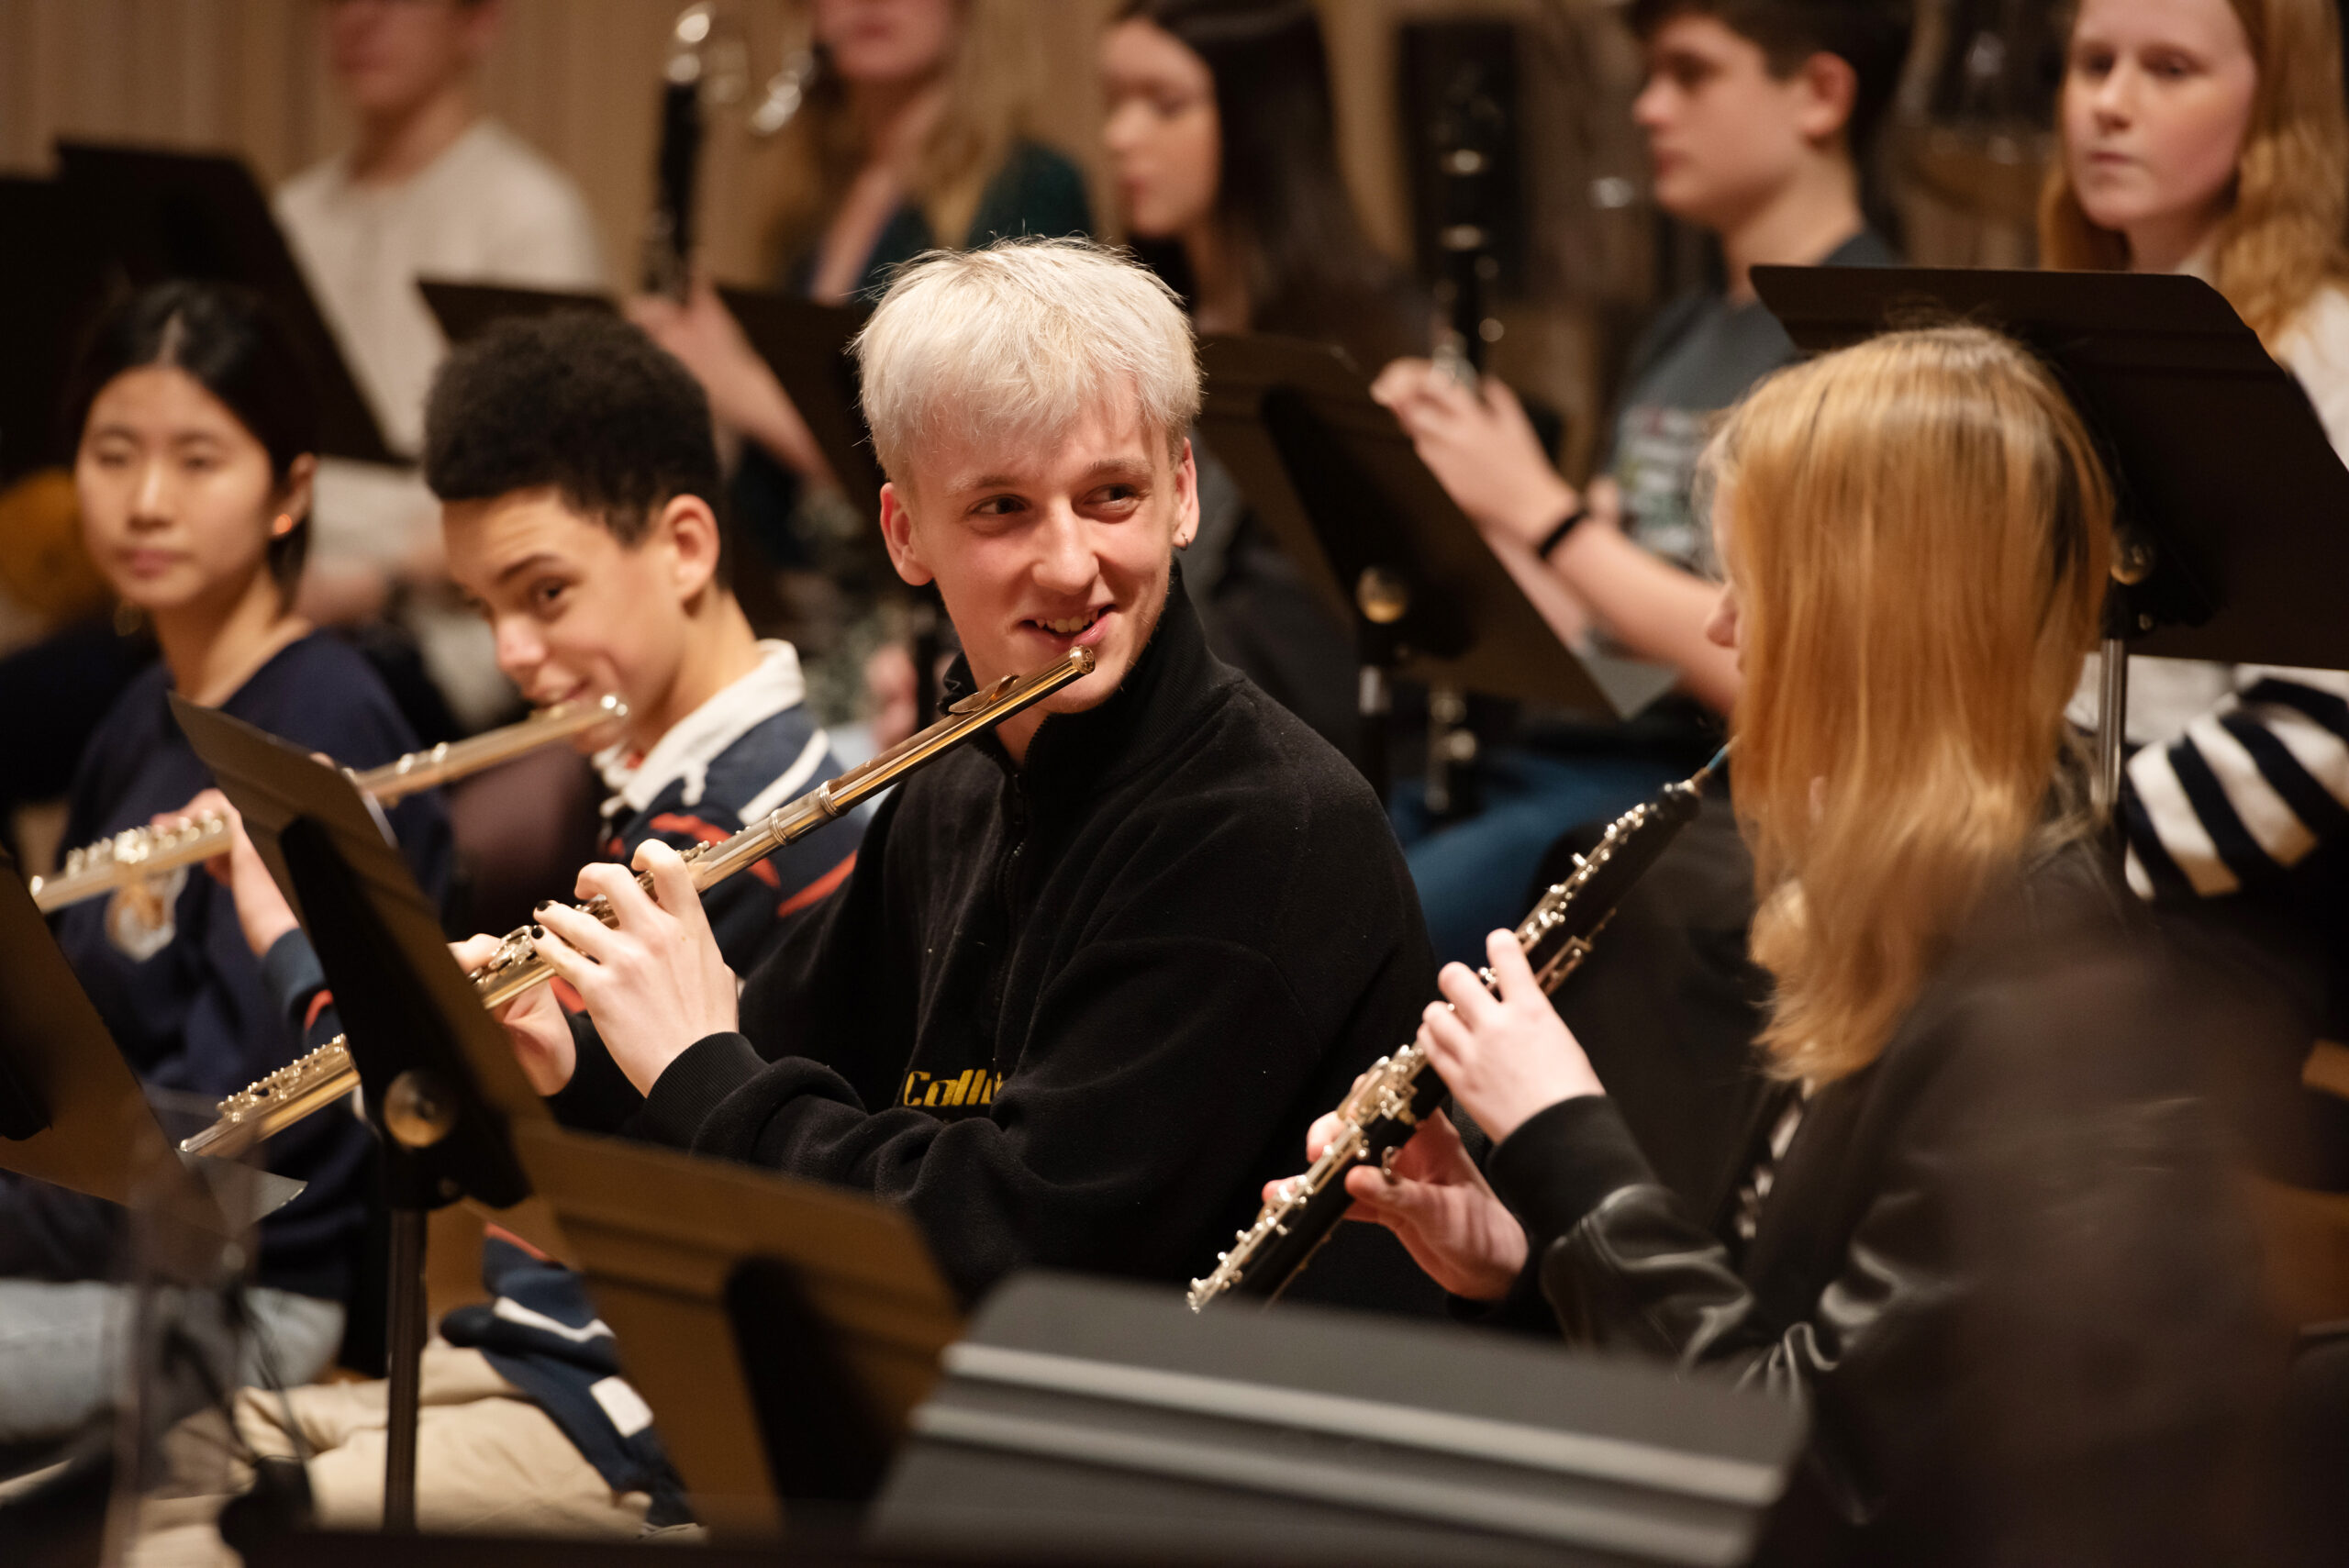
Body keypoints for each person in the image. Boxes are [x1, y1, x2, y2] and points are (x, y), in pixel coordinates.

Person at [1318, 327, 2288, 1563]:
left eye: (1751, 585)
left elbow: (1816, 1478)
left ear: (1866, 623)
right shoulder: (1906, 904)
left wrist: (1570, 1143)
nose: (1720, 632)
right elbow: (1766, 1340)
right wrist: (1520, 1260)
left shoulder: (2031, 981)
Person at [475, 239, 1434, 1306]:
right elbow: (775, 1071)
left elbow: (1011, 1246)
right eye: (1000, 509)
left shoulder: (1265, 828)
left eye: (1110, 495)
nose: (1069, 564)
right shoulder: (957, 784)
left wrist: (701, 1066)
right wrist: (573, 1055)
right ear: (904, 532)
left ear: (1182, 494)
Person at [178, 312, 864, 1533]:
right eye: (485, 605)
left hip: (626, 1412)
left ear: (687, 546)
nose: (513, 651)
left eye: (545, 594)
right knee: (112, 1471)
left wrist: (303, 930)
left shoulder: (745, 827)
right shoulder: (663, 793)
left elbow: (465, 1125)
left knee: (179, 1537)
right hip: (522, 1359)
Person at [0, 283, 453, 1446]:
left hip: (247, 1299)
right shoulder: (141, 717)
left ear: (291, 489)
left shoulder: (325, 728)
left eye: (198, 459)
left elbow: (250, 1155)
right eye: (113, 454)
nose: (147, 502)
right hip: (90, 1244)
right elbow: (61, 1067)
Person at [1371, 0, 1911, 965]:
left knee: (1365, 939)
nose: (1651, 110)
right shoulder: (1678, 331)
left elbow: (1793, 677)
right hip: (1569, 751)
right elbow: (1580, 622)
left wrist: (1539, 508)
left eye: (1691, 74)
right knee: (1302, 861)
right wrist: (1454, 480)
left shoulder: (1869, 341)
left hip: (1695, 783)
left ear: (1821, 95)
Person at [634, 0, 1093, 737]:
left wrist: (738, 385)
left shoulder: (1029, 187)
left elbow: (984, 462)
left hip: (926, 628)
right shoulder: (811, 206)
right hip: (808, 614)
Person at [2043, 0, 2349, 1094]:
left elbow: (2324, 715)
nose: (2108, 105)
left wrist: (2055, 865)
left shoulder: (2323, 350)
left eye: (2168, 68)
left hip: (2216, 905)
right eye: (2091, 63)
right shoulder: (2064, 325)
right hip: (2053, 839)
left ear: (2274, 110)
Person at [1099, 0, 1431, 756]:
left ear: (1261, 117)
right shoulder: (1134, 320)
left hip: (1271, 757)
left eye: (1165, 104)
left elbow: (1304, 662)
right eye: (1114, 102)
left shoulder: (1368, 348)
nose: (1121, 136)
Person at [277, 0, 607, 724]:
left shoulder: (526, 216)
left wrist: (369, 583)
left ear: (479, 22)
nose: (357, 20)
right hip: (285, 587)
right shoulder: (293, 213)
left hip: (431, 627)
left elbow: (543, 489)